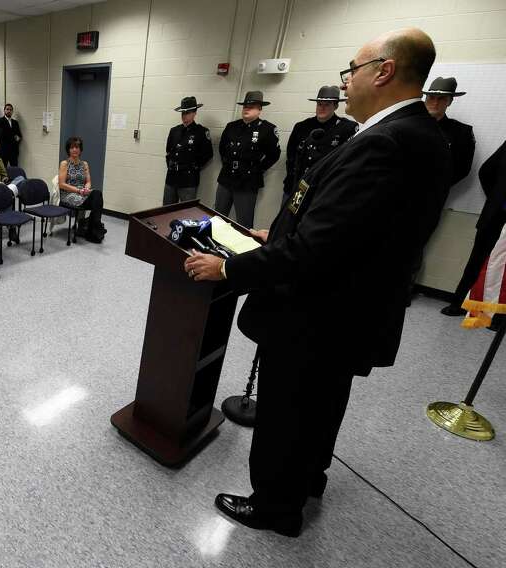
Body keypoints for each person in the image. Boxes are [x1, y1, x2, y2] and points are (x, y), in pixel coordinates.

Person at [184, 27, 450, 538]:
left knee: (288, 410)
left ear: (384, 71)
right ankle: (307, 479)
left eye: (351, 69)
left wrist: (227, 269)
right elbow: (352, 227)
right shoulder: (421, 136)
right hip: (353, 312)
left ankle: (274, 508)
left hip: (317, 316)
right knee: (322, 405)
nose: (345, 82)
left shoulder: (387, 142)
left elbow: (317, 250)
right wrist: (279, 229)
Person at [441, 139, 506, 317]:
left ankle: (458, 305)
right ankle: (495, 315)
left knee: (477, 261)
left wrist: (496, 200)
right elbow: (487, 171)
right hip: (497, 215)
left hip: (495, 213)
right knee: (478, 261)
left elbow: (487, 171)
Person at [214, 91, 281, 227]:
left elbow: (274, 155)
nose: (247, 108)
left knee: (244, 223)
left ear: (260, 109)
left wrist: (256, 170)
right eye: (245, 105)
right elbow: (222, 149)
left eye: (252, 106)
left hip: (247, 182)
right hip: (226, 179)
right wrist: (228, 164)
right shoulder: (232, 126)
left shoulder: (267, 129)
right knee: (217, 219)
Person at [282, 86, 357, 199]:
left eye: (327, 105)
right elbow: (291, 156)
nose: (322, 108)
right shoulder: (302, 126)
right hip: (299, 186)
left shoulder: (347, 128)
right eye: (319, 104)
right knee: (289, 216)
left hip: (324, 190)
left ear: (335, 106)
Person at [423, 76, 475, 189]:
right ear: (425, 99)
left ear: (450, 101)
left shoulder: (462, 132)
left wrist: (434, 188)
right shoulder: (407, 125)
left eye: (441, 98)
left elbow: (462, 169)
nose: (435, 103)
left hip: (434, 194)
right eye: (431, 97)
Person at [164, 96, 213, 205]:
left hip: (188, 178)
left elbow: (208, 154)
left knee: (186, 212)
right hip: (171, 177)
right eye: (182, 113)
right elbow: (168, 152)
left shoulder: (201, 132)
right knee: (166, 210)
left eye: (187, 112)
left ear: (195, 113)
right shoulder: (174, 130)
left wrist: (194, 167)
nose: (184, 115)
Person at [58, 137, 104, 243]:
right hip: (69, 193)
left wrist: (86, 188)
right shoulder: (64, 164)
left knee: (97, 194)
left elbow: (88, 181)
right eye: (72, 147)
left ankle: (92, 226)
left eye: (77, 147)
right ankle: (95, 227)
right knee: (96, 198)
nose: (75, 149)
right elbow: (62, 184)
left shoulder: (84, 164)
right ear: (68, 150)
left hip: (82, 192)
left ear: (80, 149)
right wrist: (78, 191)